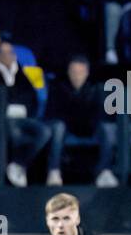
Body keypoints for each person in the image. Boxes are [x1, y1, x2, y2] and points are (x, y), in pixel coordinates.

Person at [0, 41, 61, 187]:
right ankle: (9, 170)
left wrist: (22, 107)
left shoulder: (21, 74)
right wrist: (12, 104)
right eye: (4, 53)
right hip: (1, 119)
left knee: (46, 130)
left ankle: (19, 164)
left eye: (10, 52)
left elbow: (32, 97)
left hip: (25, 117)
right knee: (16, 133)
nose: (8, 56)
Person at [48, 56, 119, 187]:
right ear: (68, 72)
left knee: (108, 128)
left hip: (90, 126)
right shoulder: (58, 88)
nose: (76, 76)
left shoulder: (96, 89)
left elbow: (102, 113)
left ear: (86, 73)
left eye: (80, 72)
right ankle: (54, 171)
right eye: (73, 72)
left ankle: (104, 171)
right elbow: (54, 113)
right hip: (67, 127)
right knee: (58, 127)